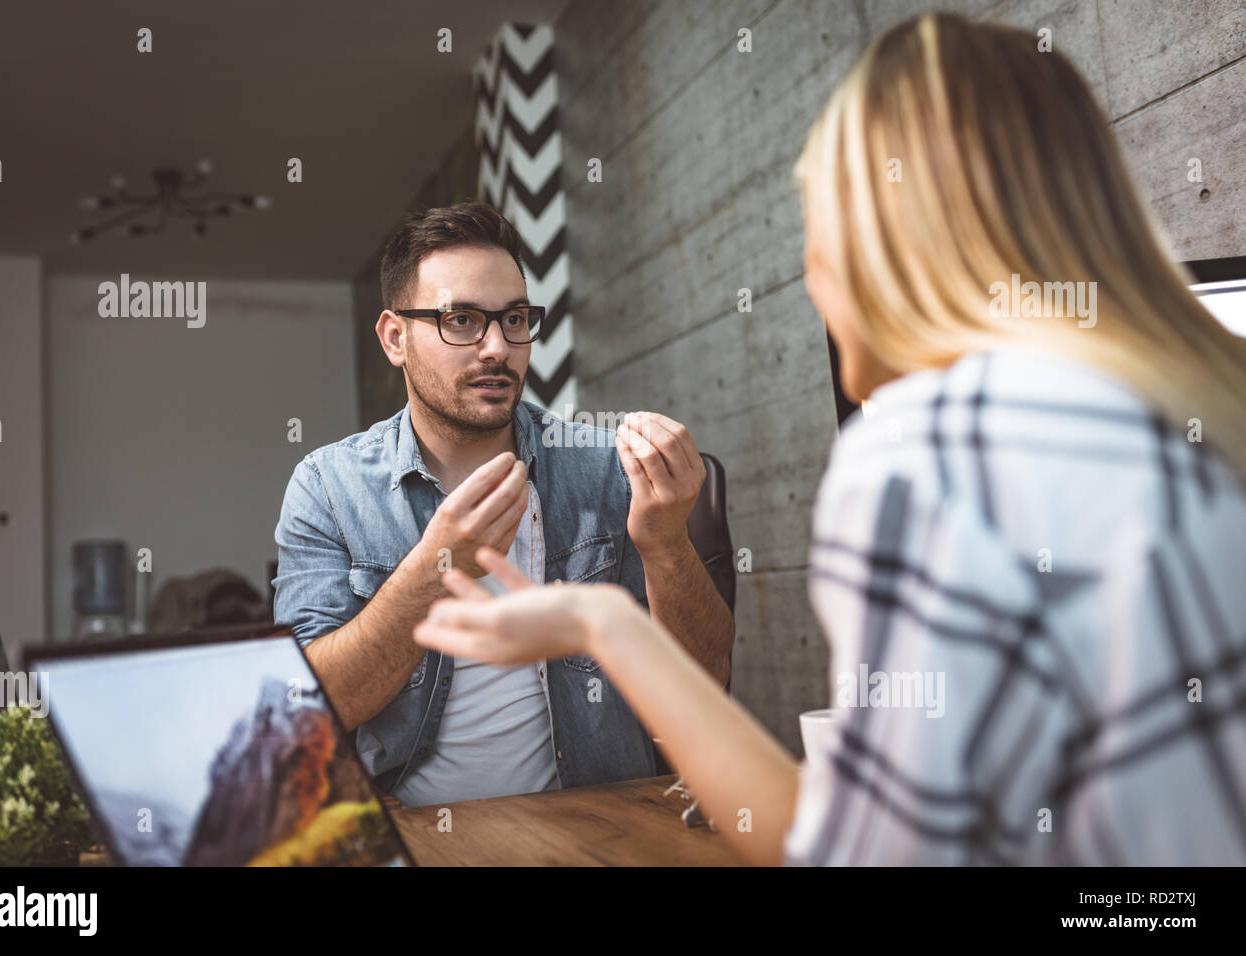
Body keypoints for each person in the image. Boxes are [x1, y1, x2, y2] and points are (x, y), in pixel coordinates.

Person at [411, 12, 1246, 864]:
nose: (811, 270)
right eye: (463, 321)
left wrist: (605, 620)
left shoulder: (928, 452)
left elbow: (850, 853)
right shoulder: (1208, 403)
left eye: (817, 223)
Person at [272, 201, 734, 807]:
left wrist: (666, 542)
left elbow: (705, 687)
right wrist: (439, 564)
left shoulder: (607, 469)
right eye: (461, 320)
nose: (497, 347)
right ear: (394, 338)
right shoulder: (327, 487)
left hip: (600, 825)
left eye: (514, 318)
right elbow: (311, 709)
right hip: (417, 836)